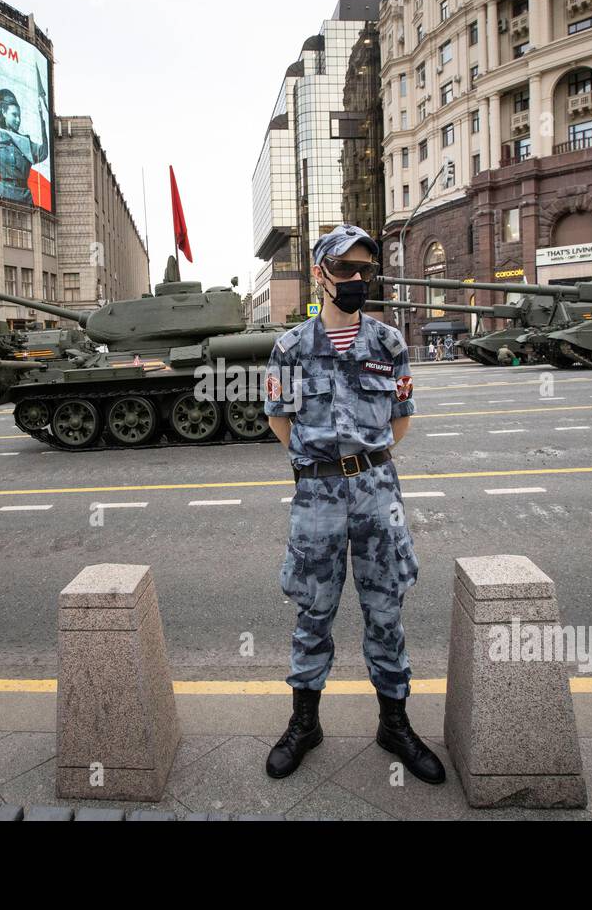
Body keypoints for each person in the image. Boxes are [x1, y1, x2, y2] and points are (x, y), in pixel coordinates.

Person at [261, 223, 446, 785]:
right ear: (321, 274)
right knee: (312, 611)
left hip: (377, 494)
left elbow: (402, 420)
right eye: (346, 270)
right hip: (316, 495)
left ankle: (394, 724)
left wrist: (363, 463)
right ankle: (304, 724)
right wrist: (322, 463)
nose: (358, 279)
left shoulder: (388, 344)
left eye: (366, 270)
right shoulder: (290, 347)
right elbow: (277, 419)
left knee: (386, 610)